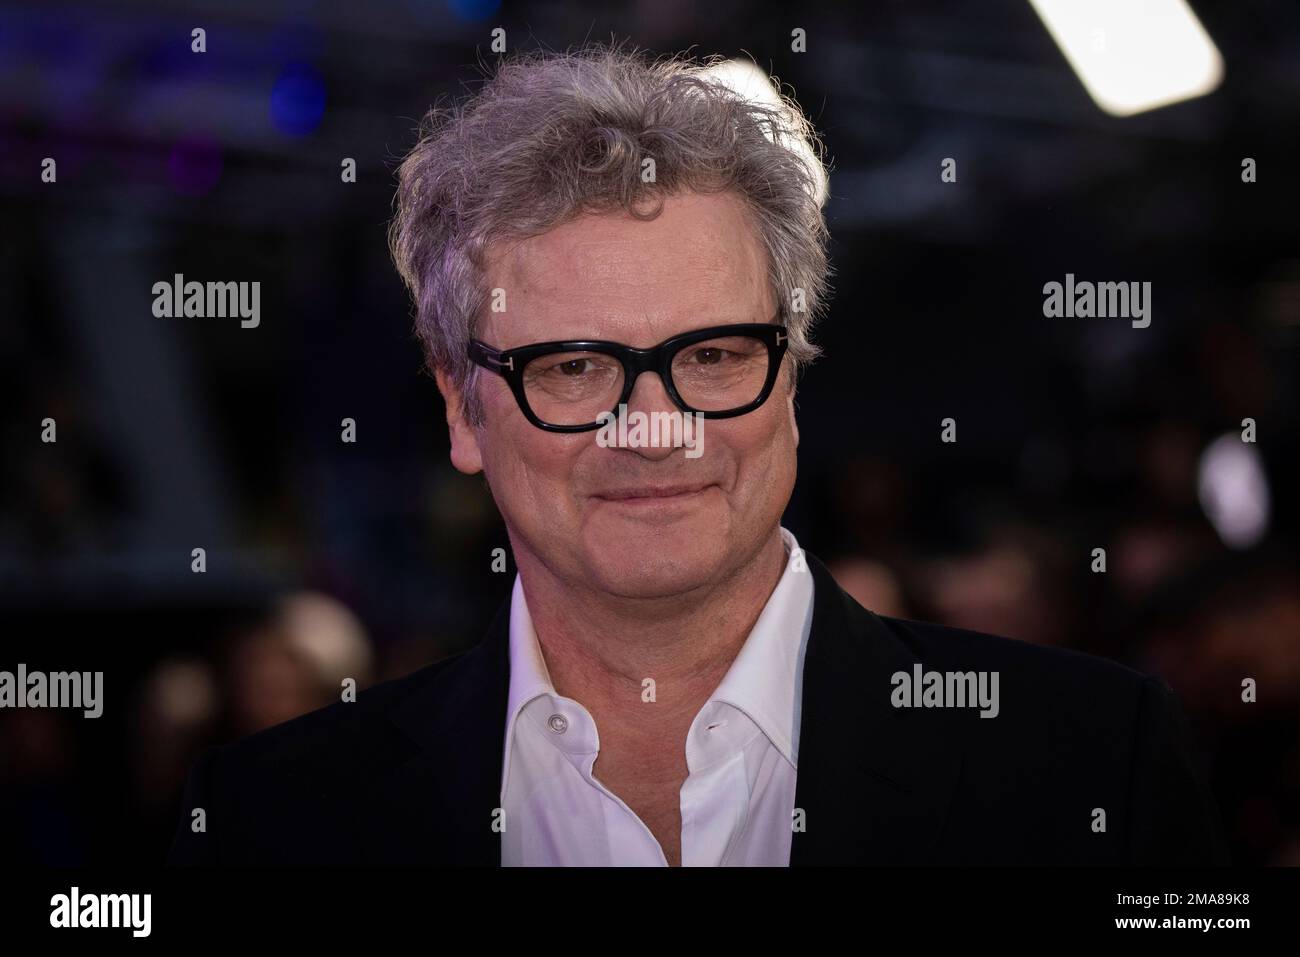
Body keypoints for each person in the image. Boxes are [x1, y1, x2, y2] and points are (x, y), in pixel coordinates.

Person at [168, 45, 1227, 866]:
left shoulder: (1093, 761)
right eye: (575, 368)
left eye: (713, 354)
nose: (653, 424)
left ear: (793, 378)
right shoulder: (269, 823)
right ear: (459, 405)